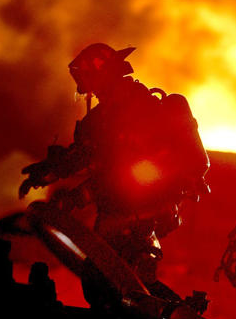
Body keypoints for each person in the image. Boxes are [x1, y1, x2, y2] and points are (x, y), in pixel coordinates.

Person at [19, 43, 209, 292]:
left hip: (143, 213)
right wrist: (49, 171)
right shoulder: (99, 120)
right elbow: (85, 155)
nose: (91, 91)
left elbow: (129, 172)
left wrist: (79, 196)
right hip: (114, 215)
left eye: (90, 80)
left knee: (129, 287)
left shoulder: (144, 110)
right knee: (102, 283)